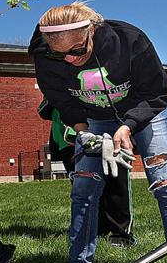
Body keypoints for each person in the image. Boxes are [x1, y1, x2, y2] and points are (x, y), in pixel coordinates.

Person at [30, 2, 167, 263]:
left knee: (165, 184)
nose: (69, 60)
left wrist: (127, 126)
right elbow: (60, 98)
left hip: (147, 112)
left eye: (77, 51)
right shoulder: (44, 55)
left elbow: (157, 93)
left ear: (92, 31)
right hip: (95, 118)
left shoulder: (130, 40)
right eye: (59, 55)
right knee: (83, 188)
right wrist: (81, 130)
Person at [39, 98, 133, 245]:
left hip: (106, 128)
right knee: (84, 189)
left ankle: (120, 233)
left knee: (115, 182)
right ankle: (97, 229)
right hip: (67, 136)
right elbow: (46, 108)